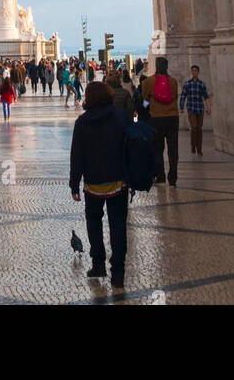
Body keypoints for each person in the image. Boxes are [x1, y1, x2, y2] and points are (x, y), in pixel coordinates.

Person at [70, 80, 129, 288]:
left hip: (93, 184)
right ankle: (119, 272)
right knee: (118, 226)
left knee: (94, 223)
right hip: (118, 181)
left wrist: (74, 184)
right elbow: (130, 148)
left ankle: (98, 265)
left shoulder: (83, 122)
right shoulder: (121, 117)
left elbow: (76, 156)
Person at [138, 56, 179, 186]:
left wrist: (146, 107)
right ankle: (173, 176)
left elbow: (145, 100)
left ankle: (160, 175)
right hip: (172, 117)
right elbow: (175, 97)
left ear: (156, 66)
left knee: (158, 148)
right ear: (166, 67)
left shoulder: (148, 82)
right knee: (173, 148)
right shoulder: (173, 81)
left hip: (156, 118)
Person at [179, 64, 210, 157]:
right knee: (194, 127)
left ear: (198, 72)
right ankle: (193, 145)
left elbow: (206, 97)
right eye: (193, 71)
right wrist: (181, 107)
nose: (194, 72)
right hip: (191, 108)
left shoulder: (201, 84)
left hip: (200, 108)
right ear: (191, 72)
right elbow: (183, 96)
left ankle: (199, 149)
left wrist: (209, 108)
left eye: (195, 70)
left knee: (199, 129)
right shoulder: (188, 84)